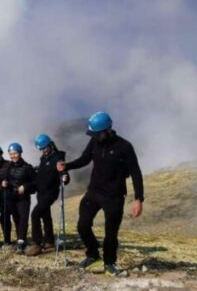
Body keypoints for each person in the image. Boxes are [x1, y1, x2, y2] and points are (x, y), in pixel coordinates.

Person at [57, 111, 144, 277]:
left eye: (97, 134)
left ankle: (109, 263)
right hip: (93, 192)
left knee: (110, 234)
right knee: (82, 226)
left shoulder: (124, 147)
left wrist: (139, 199)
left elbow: (136, 173)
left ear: (107, 130)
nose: (94, 136)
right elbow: (84, 159)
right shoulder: (95, 141)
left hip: (114, 196)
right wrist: (66, 166)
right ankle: (93, 255)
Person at [25, 133, 69, 256]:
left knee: (35, 214)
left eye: (44, 148)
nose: (43, 151)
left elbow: (63, 172)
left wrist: (65, 178)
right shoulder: (44, 158)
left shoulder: (58, 158)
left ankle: (36, 244)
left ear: (50, 145)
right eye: (41, 149)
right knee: (45, 215)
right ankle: (49, 241)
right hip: (41, 192)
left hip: (50, 192)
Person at [5, 142, 35, 254]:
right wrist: (5, 184)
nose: (13, 156)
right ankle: (20, 240)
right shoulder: (8, 167)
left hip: (23, 197)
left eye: (15, 153)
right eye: (11, 154)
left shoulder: (27, 167)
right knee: (16, 218)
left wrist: (25, 186)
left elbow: (35, 182)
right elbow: (6, 179)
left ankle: (21, 242)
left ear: (20, 153)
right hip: (11, 197)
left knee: (23, 218)